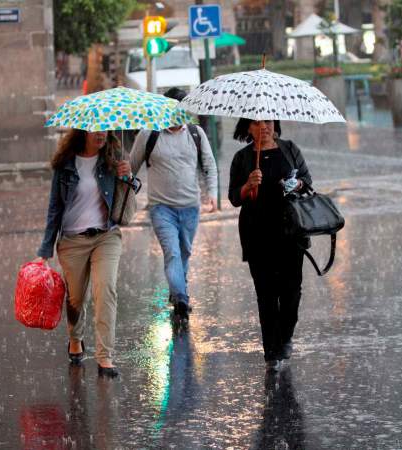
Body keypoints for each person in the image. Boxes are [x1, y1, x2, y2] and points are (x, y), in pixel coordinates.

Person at [36, 129, 132, 378]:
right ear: (83, 132)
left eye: (105, 129)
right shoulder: (65, 164)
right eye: (95, 130)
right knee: (76, 298)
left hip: (106, 236)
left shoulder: (112, 158)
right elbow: (54, 208)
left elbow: (125, 202)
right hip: (72, 241)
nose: (101, 134)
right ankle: (75, 337)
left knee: (105, 290)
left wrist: (126, 177)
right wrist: (44, 251)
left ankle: (105, 357)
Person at [227, 119, 312, 372]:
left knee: (291, 292)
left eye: (269, 121)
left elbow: (306, 179)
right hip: (257, 233)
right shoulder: (242, 159)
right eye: (256, 123)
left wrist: (296, 184)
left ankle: (285, 337)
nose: (264, 126)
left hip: (290, 231)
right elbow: (234, 197)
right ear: (247, 129)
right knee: (266, 294)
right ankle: (271, 352)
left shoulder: (289, 149)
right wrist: (248, 186)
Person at [127, 87, 218, 321]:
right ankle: (180, 299)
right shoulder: (149, 134)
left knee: (185, 252)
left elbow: (209, 164)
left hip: (190, 206)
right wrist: (122, 184)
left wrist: (213, 194)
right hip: (161, 208)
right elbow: (131, 167)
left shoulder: (196, 134)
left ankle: (178, 291)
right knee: (173, 254)